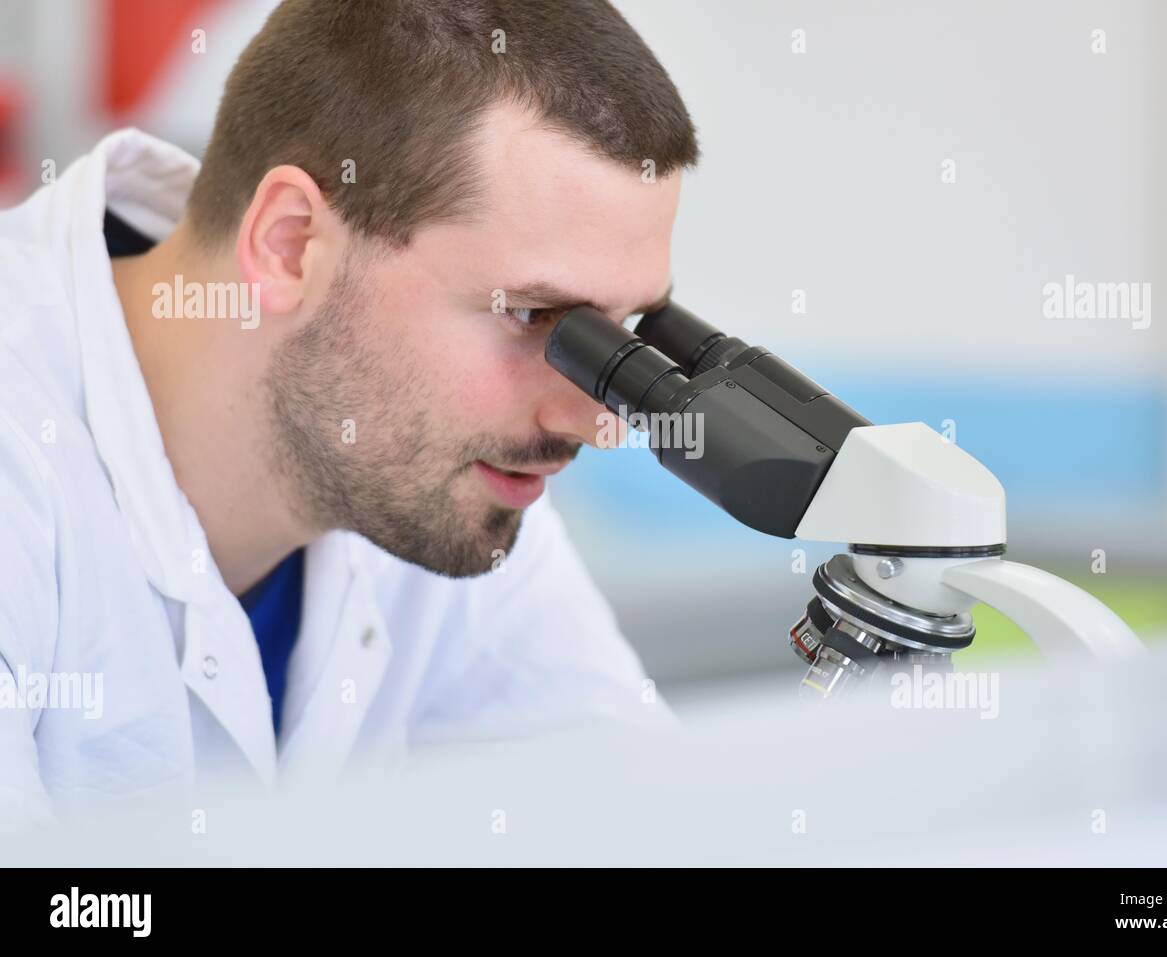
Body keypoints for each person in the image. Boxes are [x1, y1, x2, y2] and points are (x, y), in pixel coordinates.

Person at [0, 0, 699, 827]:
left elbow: (650, 823)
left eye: (616, 333)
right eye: (532, 316)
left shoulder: (453, 479)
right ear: (291, 243)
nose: (593, 421)